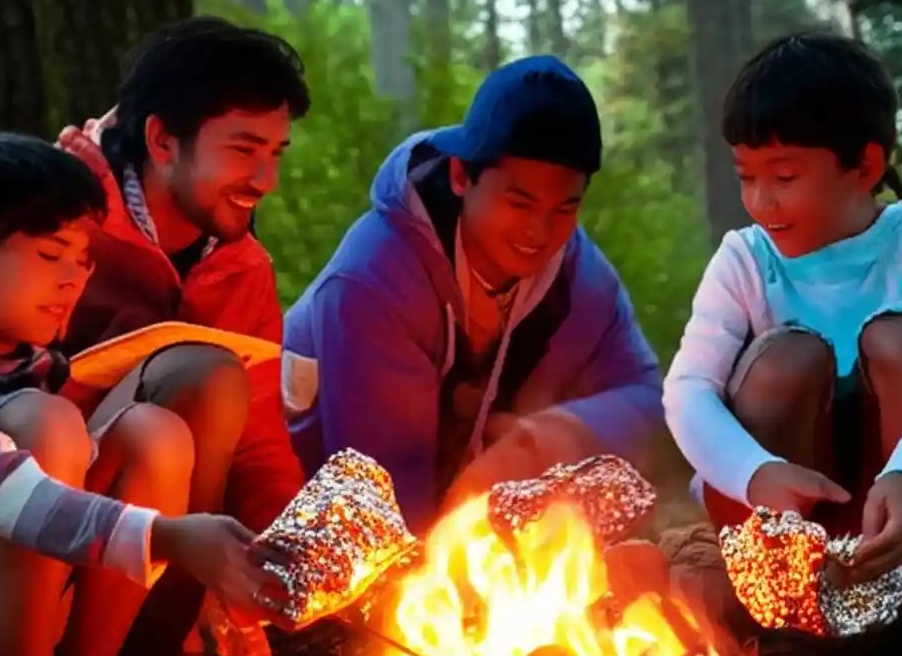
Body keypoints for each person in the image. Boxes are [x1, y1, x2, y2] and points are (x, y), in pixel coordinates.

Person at [0, 134, 286, 656]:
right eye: (49, 255)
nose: (73, 279)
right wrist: (172, 538)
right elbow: (11, 497)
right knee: (48, 426)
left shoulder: (29, 362)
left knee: (154, 435)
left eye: (83, 259)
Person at [662, 33, 902, 656]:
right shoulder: (746, 260)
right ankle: (790, 638)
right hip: (779, 511)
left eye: (784, 177)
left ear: (865, 164)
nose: (761, 201)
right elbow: (687, 391)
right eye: (747, 176)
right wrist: (755, 474)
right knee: (784, 358)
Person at [282, 55, 664, 533]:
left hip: (466, 530)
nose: (539, 231)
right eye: (519, 202)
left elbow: (650, 402)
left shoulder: (579, 279)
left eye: (564, 209)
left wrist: (548, 440)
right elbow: (383, 502)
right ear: (461, 175)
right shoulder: (374, 279)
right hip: (311, 527)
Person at [52, 17, 311, 656]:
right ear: (162, 139)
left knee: (215, 384)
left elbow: (259, 446)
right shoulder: (53, 217)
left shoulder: (241, 268)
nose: (266, 179)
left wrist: (289, 556)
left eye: (276, 152)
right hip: (40, 523)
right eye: (244, 149)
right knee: (206, 377)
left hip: (157, 556)